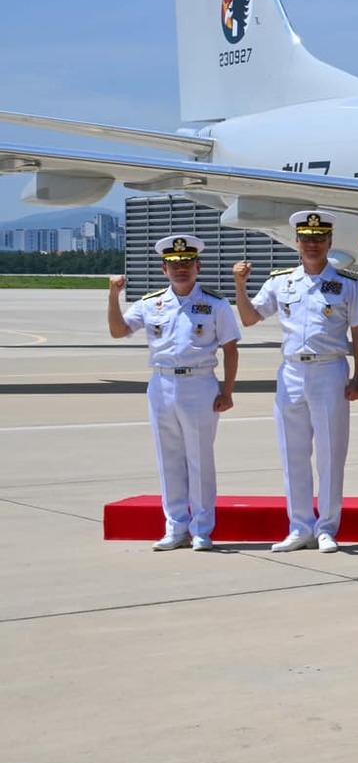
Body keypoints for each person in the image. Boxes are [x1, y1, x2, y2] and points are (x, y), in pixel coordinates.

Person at [232, 211, 358, 553]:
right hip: (291, 372)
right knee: (293, 453)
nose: (312, 245)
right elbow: (249, 319)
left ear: (329, 243)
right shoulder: (281, 282)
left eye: (318, 239)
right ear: (296, 242)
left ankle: (327, 528)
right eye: (306, 238)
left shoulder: (347, 284)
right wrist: (241, 286)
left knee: (331, 453)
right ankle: (299, 526)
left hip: (330, 370)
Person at [108, 236, 239, 551]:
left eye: (187, 264)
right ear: (164, 269)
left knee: (199, 460)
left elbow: (231, 348)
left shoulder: (215, 304)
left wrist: (228, 390)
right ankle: (175, 527)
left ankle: (203, 529)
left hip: (199, 383)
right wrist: (113, 295)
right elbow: (118, 330)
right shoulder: (151, 303)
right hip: (162, 383)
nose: (181, 270)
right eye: (174, 265)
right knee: (169, 460)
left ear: (198, 266)